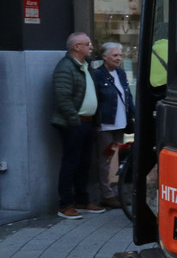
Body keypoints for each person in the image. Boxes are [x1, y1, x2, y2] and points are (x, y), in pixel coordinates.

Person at [50, 32, 105, 219]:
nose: (91, 47)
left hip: (87, 123)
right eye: (87, 44)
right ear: (76, 47)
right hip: (73, 123)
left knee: (84, 165)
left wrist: (94, 121)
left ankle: (82, 201)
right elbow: (62, 99)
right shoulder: (66, 67)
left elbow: (92, 94)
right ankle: (65, 205)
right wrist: (75, 121)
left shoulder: (85, 66)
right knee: (71, 164)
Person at [92, 42, 135, 208]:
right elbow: (95, 100)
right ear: (104, 57)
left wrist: (134, 115)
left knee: (115, 160)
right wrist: (96, 121)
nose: (118, 59)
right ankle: (107, 194)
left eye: (120, 55)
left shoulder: (121, 73)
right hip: (105, 126)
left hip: (120, 124)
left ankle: (115, 193)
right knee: (106, 159)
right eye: (115, 55)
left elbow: (128, 96)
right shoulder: (97, 75)